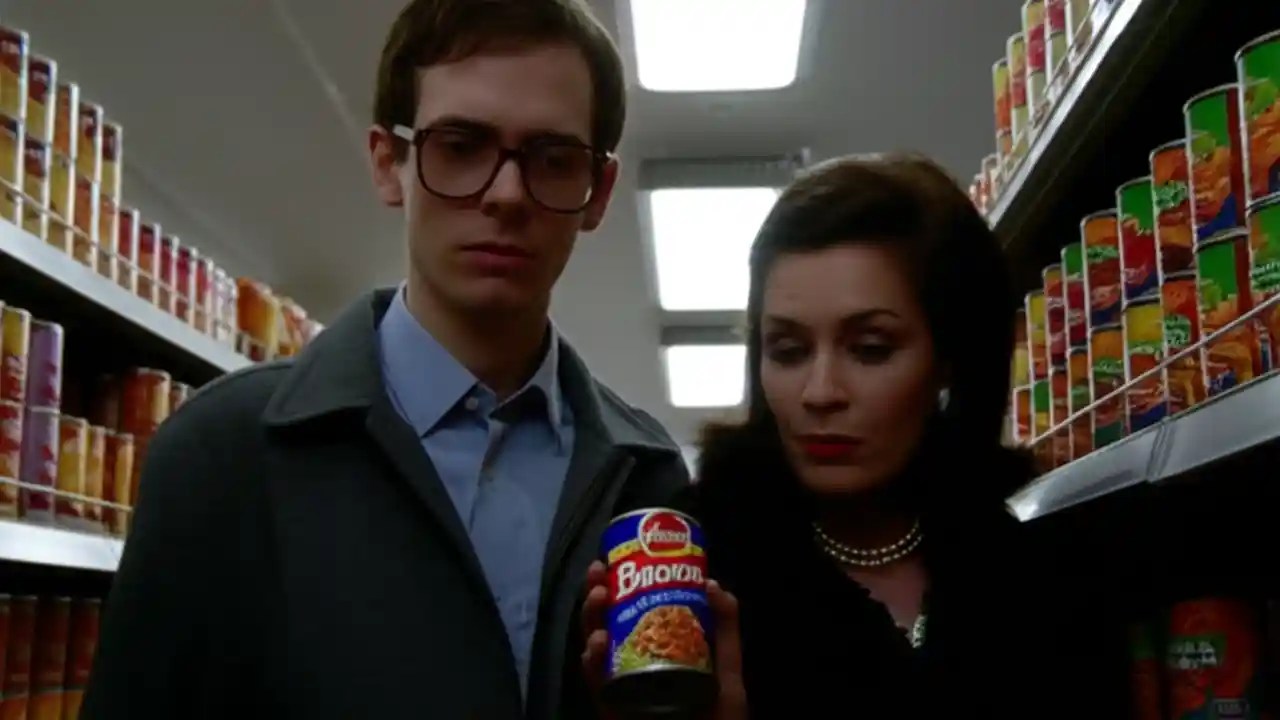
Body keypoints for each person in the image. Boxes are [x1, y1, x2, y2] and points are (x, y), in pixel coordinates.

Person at [82, 1, 740, 718]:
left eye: (554, 159)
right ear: (388, 164)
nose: (506, 194)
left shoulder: (647, 482)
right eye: (461, 146)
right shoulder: (223, 456)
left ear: (597, 192)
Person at [584, 154, 1129, 717]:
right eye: (789, 351)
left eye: (871, 349)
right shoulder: (696, 570)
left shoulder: (1042, 574)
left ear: (948, 359)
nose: (820, 392)